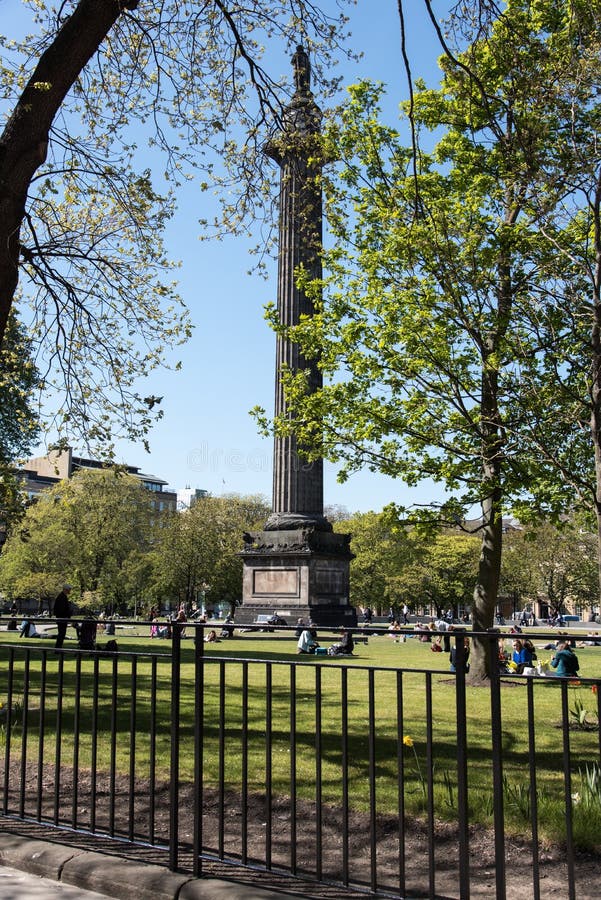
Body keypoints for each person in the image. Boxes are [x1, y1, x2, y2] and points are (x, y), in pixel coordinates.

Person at [53, 584, 73, 649]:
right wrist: (67, 614)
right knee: (61, 633)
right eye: (69, 589)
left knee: (61, 633)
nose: (70, 591)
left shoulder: (62, 596)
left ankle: (58, 648)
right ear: (65, 590)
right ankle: (58, 648)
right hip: (62, 618)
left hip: (62, 618)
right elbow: (61, 609)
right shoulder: (62, 597)